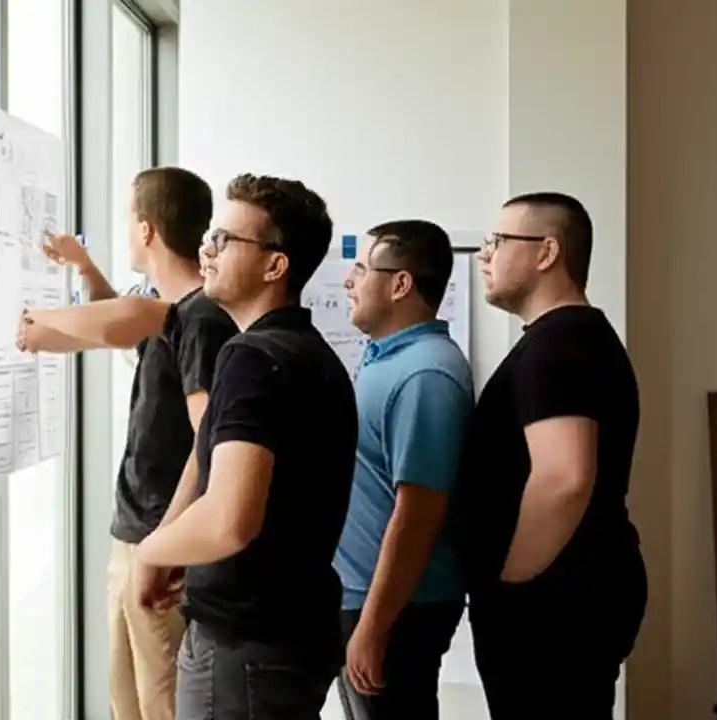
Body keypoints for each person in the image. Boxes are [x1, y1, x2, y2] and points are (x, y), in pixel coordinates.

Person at [18, 166, 238, 720]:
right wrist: (84, 268)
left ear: (145, 230)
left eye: (128, 220)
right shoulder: (172, 312)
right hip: (136, 535)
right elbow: (117, 316)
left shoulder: (201, 319)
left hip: (159, 544)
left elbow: (209, 444)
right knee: (128, 700)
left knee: (159, 698)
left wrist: (167, 545)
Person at [135, 173, 357, 719]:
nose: (206, 250)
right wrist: (170, 539)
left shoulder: (251, 359)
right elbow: (214, 461)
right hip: (288, 633)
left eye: (225, 240)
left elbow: (231, 519)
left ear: (274, 265)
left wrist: (148, 551)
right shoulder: (310, 355)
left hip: (244, 648)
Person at [453, 192, 646, 718]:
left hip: (550, 608)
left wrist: (510, 579)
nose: (483, 255)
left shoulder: (559, 346)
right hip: (563, 601)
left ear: (547, 252)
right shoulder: (566, 340)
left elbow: (565, 478)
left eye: (497, 241)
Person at [334, 220, 473, 719]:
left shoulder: (426, 374)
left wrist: (374, 627)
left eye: (361, 268)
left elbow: (418, 513)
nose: (349, 282)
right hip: (367, 598)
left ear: (400, 284)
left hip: (395, 610)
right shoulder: (387, 358)